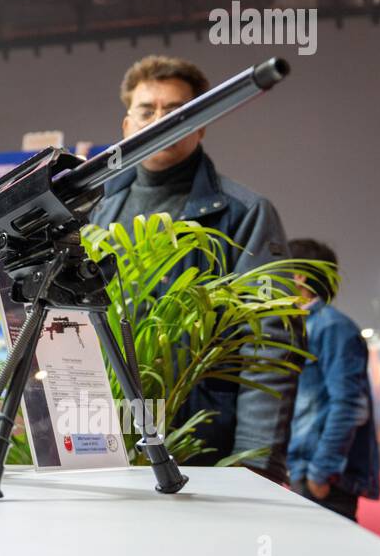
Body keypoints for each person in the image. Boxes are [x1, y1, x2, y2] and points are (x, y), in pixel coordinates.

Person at [91, 55, 298, 482]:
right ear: (127, 125)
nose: (160, 120)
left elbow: (270, 344)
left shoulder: (244, 213)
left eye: (178, 110)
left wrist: (255, 465)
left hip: (205, 451)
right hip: (109, 447)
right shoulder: (96, 215)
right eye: (147, 110)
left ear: (202, 123)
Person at [285, 239, 380, 520]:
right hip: (302, 470)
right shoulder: (302, 325)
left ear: (299, 276)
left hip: (324, 480)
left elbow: (350, 404)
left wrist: (320, 473)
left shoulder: (333, 327)